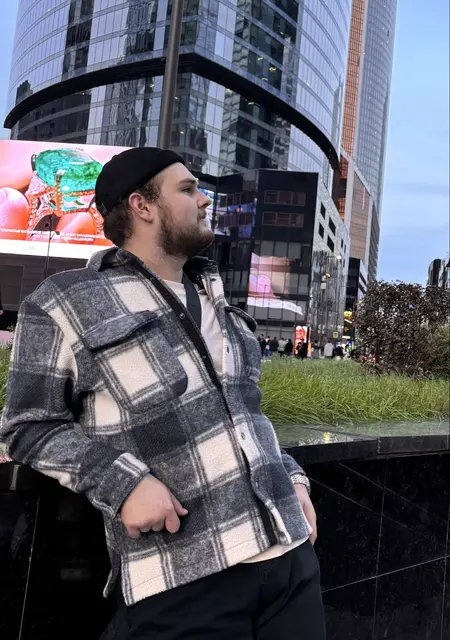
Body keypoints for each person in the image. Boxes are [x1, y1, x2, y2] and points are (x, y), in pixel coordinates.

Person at [1, 148, 325, 640]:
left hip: (291, 561)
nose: (205, 200)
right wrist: (123, 484)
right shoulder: (65, 300)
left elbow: (244, 416)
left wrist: (294, 479)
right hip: (184, 574)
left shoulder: (224, 307)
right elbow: (27, 426)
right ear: (142, 205)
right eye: (188, 189)